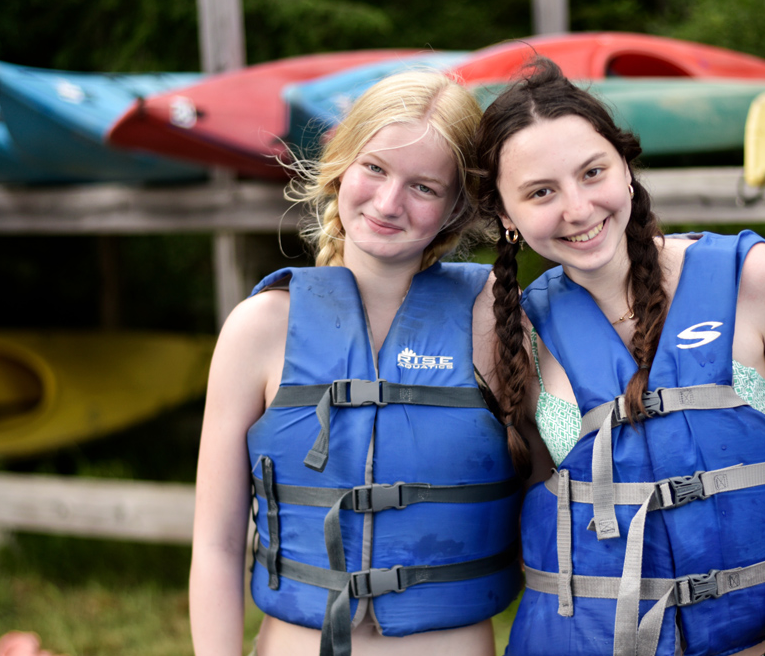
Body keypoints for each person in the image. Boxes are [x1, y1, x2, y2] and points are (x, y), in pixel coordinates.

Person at [475, 58, 765, 656]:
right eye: (540, 192)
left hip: (748, 639)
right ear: (505, 217)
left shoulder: (752, 278)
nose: (577, 208)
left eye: (593, 172)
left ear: (626, 167)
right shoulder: (513, 330)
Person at [190, 70, 522, 656]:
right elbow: (215, 544)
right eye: (375, 168)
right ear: (341, 166)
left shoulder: (498, 322)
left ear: (456, 204)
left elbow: (567, 478)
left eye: (423, 186)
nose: (389, 203)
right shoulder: (259, 328)